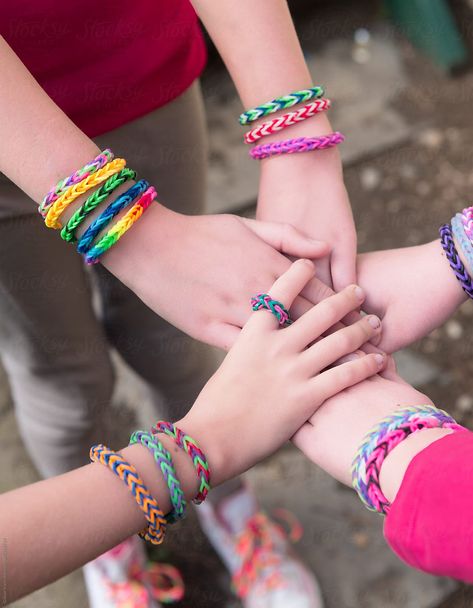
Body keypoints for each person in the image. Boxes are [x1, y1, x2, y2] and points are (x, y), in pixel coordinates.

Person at [0, 1, 357, 605]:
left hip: (137, 73)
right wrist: (125, 224)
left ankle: (227, 501)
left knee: (178, 344)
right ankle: (96, 537)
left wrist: (299, 138)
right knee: (63, 376)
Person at [0, 260, 387, 606]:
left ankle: (228, 508)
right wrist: (203, 446)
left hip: (142, 187)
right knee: (62, 380)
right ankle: (100, 546)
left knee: (170, 340)